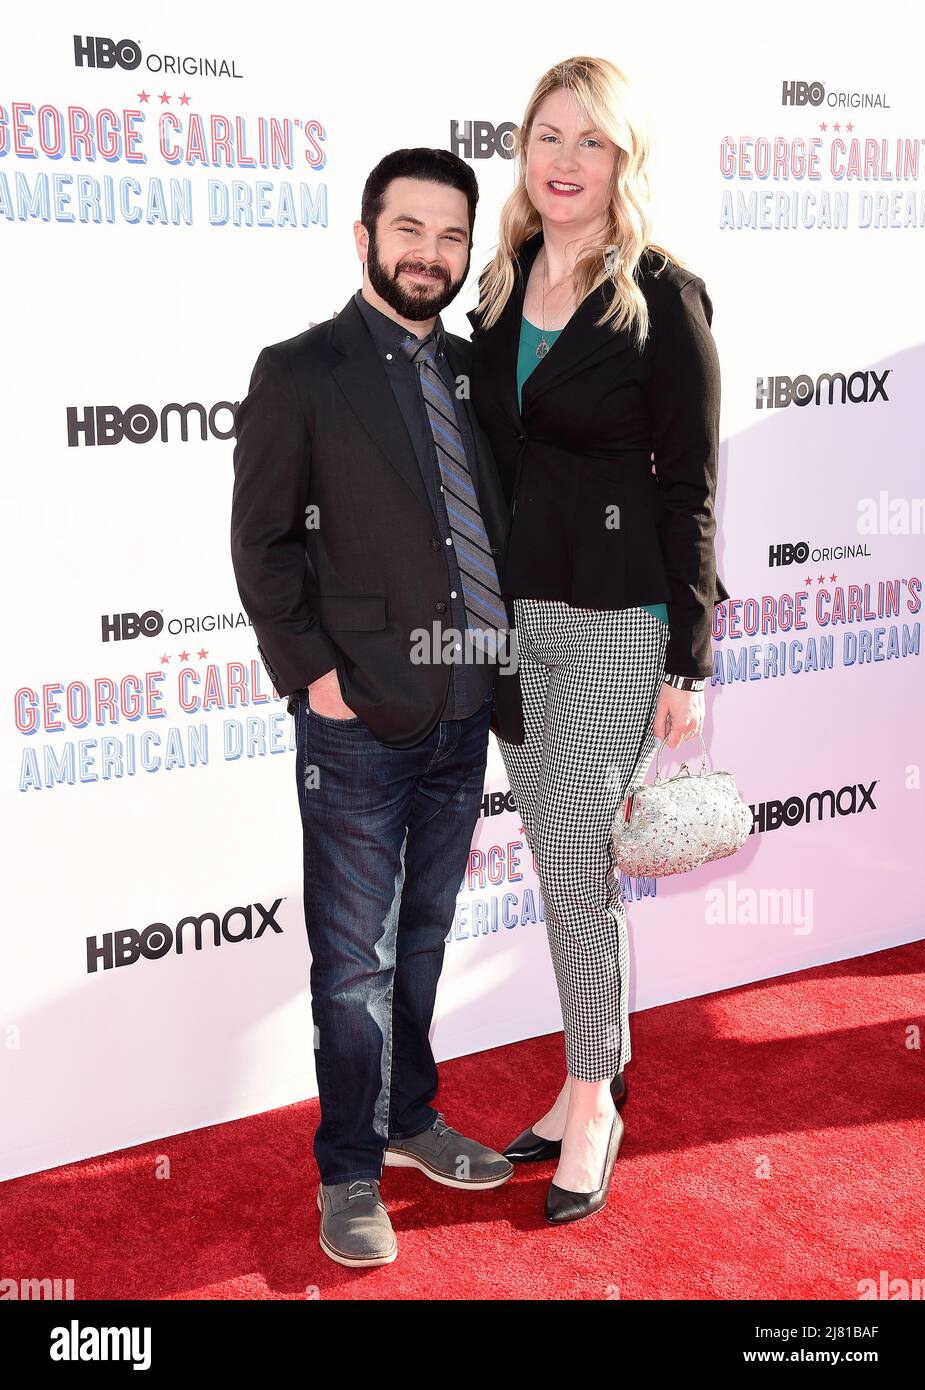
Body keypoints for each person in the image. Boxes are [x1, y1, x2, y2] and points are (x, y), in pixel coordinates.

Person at [230, 148, 523, 1268]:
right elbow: (260, 543)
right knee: (352, 962)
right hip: (356, 719)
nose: (430, 255)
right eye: (409, 231)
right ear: (363, 238)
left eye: (451, 238)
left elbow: (486, 523)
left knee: (425, 940)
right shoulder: (301, 370)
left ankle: (408, 1122)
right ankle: (348, 1169)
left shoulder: (470, 372)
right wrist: (315, 678)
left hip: (461, 706)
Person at [467, 56, 729, 1225]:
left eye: (590, 142)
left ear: (623, 161)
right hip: (516, 619)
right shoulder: (501, 277)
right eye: (546, 137)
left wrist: (689, 656)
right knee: (561, 856)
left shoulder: (661, 296)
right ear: (522, 150)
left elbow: (691, 486)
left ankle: (591, 1097)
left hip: (623, 617)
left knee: (576, 851)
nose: (564, 162)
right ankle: (600, 1063)